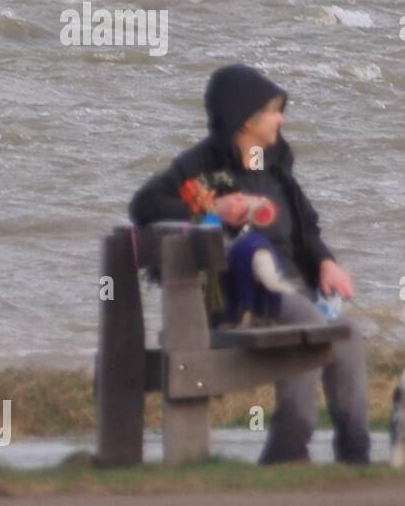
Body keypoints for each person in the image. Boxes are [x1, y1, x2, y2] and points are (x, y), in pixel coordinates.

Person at [129, 63, 369, 465]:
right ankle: (289, 452)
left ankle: (356, 454)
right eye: (275, 110)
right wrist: (214, 209)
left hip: (290, 289)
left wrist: (327, 263)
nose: (282, 119)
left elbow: (305, 231)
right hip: (235, 298)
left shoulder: (274, 167)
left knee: (347, 331)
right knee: (306, 321)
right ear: (247, 119)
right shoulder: (202, 165)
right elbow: (145, 206)